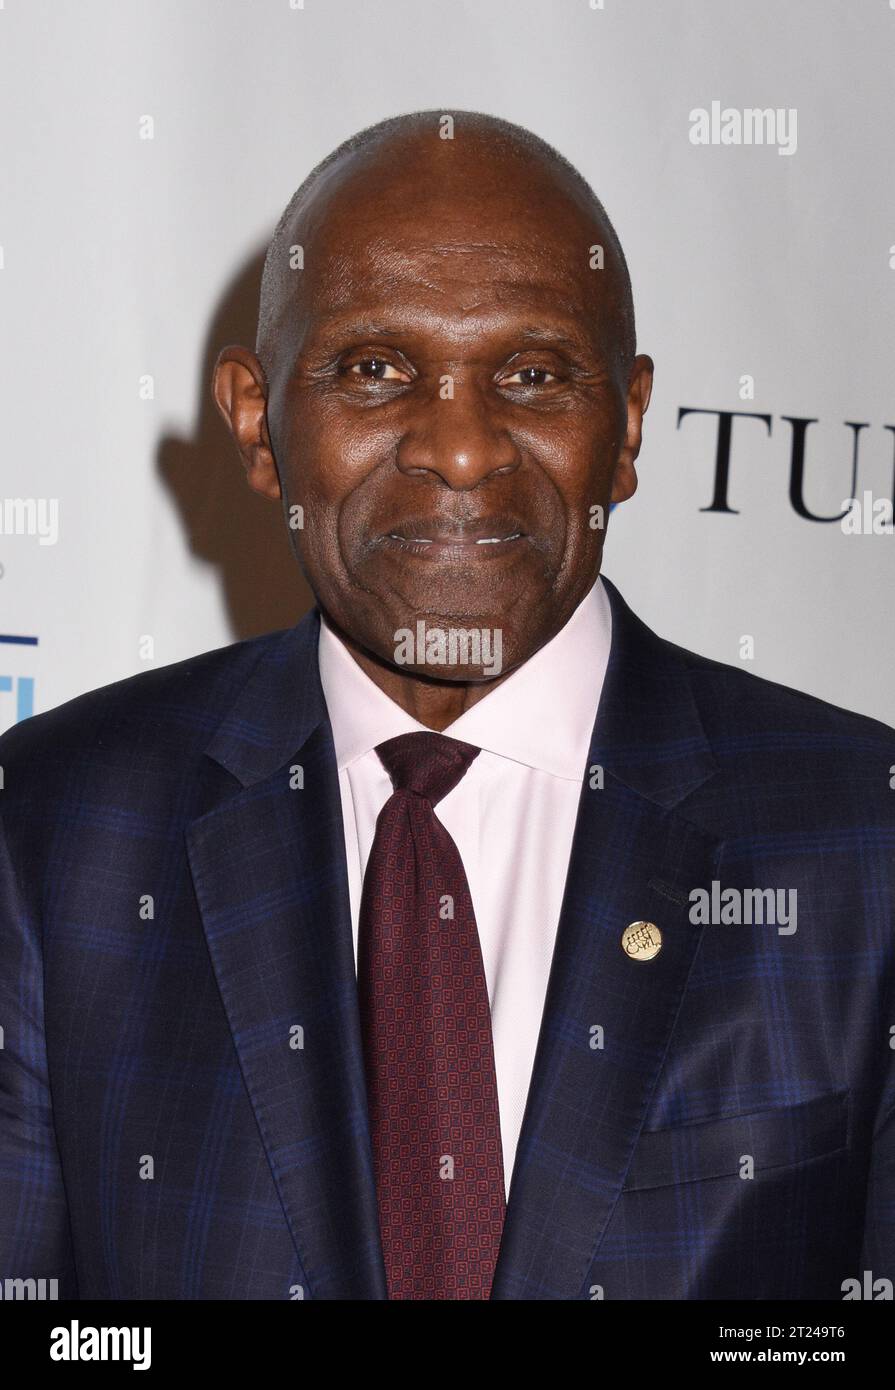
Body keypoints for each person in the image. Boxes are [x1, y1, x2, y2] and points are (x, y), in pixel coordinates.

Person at [1, 110, 892, 1302]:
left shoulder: (859, 837)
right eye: (374, 369)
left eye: (532, 373)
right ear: (258, 421)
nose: (464, 449)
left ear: (625, 427)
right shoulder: (60, 831)